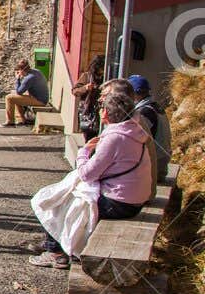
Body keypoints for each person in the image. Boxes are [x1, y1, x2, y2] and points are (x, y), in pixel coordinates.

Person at [30, 80, 154, 269]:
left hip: (119, 203)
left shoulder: (114, 138)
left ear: (106, 113)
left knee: (61, 200)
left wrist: (83, 152)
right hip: (134, 199)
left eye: (102, 104)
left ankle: (55, 252)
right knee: (70, 195)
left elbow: (87, 174)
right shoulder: (133, 130)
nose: (99, 107)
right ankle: (56, 245)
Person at [128, 74, 171, 180]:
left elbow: (134, 140)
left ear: (134, 94)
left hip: (153, 168)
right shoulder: (156, 107)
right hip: (161, 162)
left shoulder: (144, 113)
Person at [0, 59, 50, 127]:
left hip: (39, 101)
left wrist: (17, 79)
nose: (18, 72)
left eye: (19, 71)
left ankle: (10, 122)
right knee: (14, 96)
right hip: (42, 98)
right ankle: (21, 120)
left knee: (9, 98)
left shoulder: (29, 78)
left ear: (22, 70)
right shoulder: (36, 71)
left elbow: (19, 92)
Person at [71, 69, 102, 141]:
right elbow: (74, 91)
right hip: (89, 112)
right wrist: (85, 88)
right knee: (90, 137)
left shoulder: (109, 75)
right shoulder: (87, 76)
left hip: (102, 112)